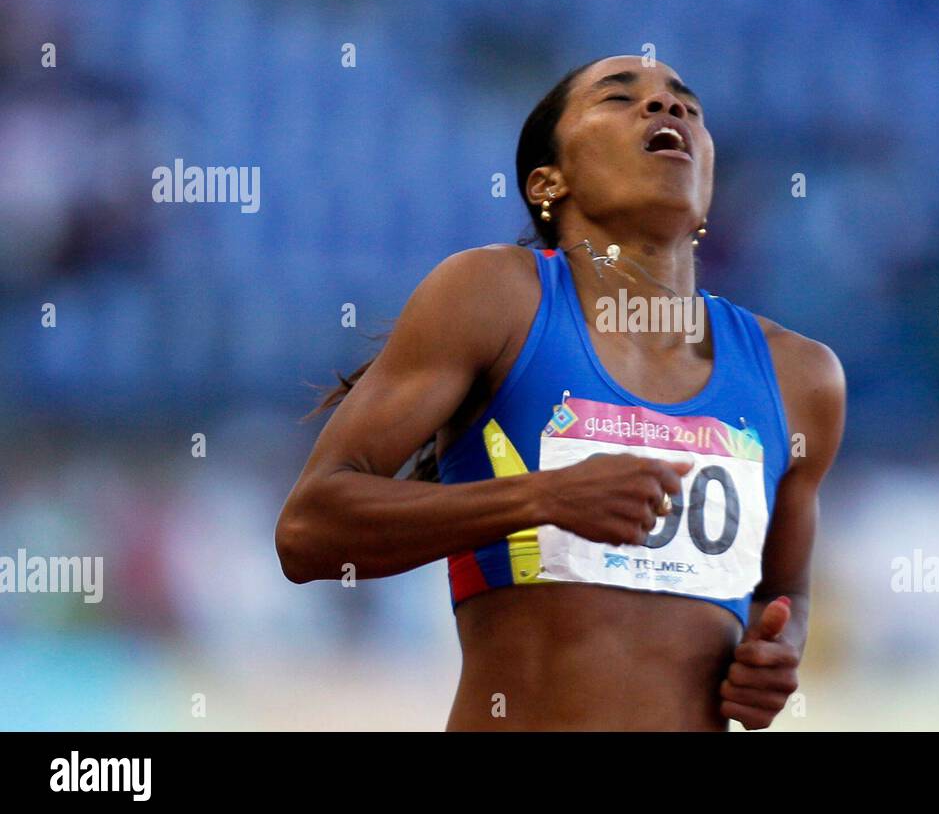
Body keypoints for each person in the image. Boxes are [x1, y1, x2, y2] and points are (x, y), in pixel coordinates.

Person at [275, 55, 846, 731]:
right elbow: (309, 533)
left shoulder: (802, 377)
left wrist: (778, 652)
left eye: (685, 101)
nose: (669, 108)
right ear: (549, 182)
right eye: (619, 97)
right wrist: (543, 499)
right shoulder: (493, 297)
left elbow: (782, 594)